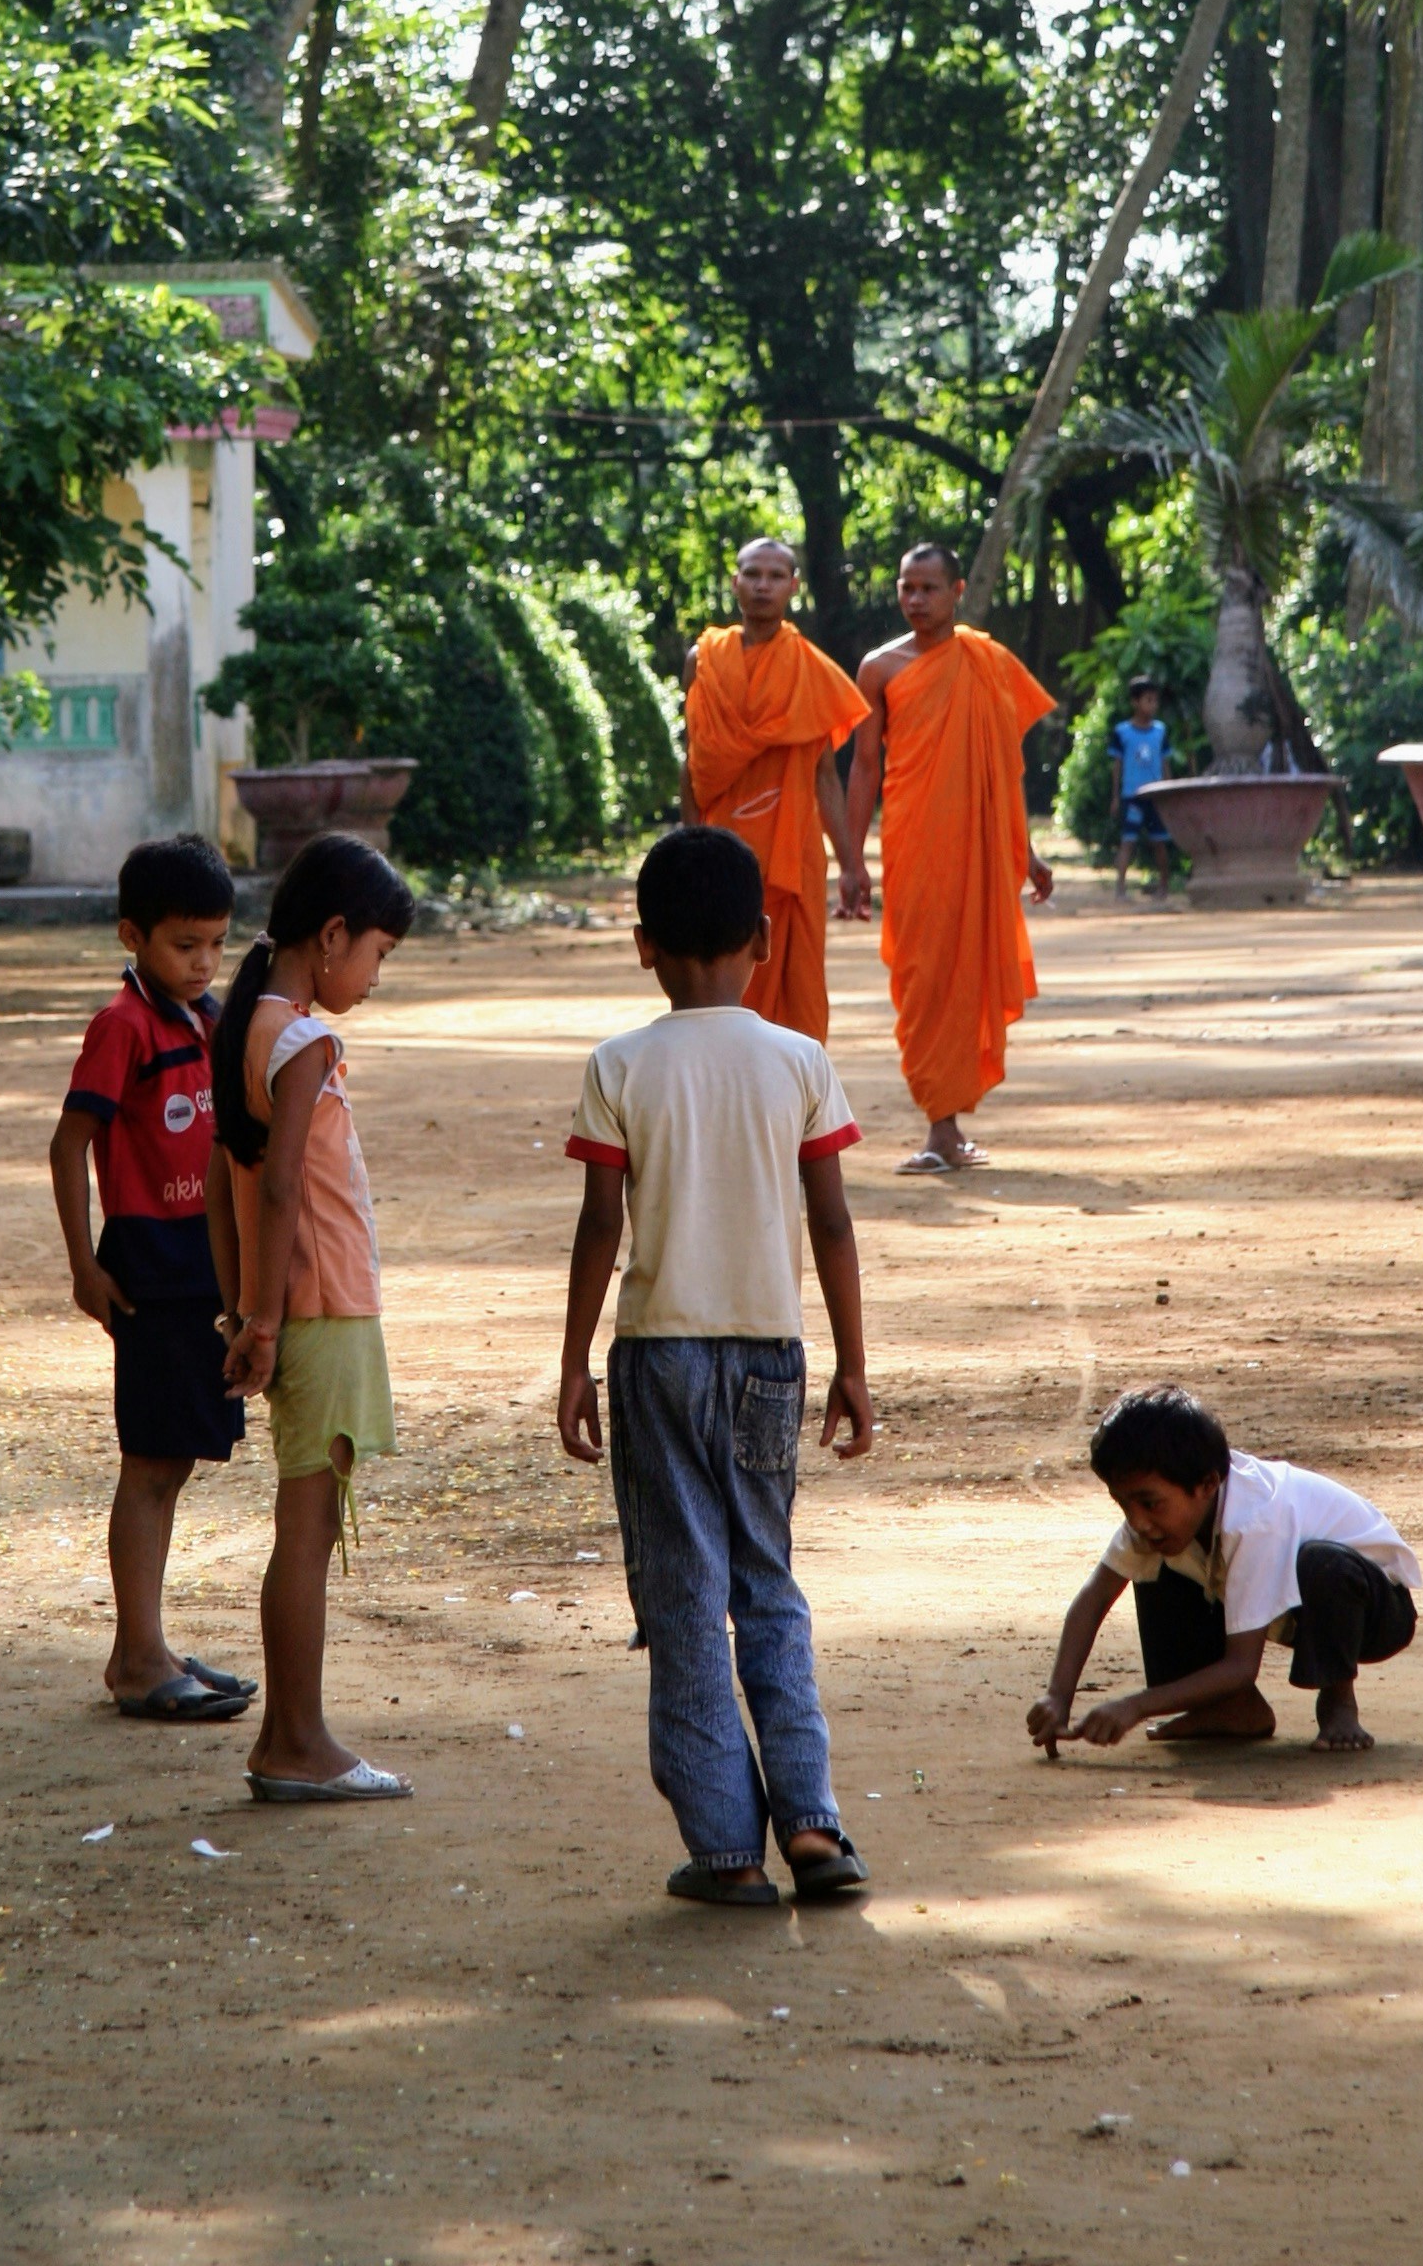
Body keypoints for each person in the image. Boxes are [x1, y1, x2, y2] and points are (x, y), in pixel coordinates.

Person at [557, 823, 873, 1909]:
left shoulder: (619, 1066)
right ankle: (815, 1827)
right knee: (766, 1583)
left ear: (642, 947)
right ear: (763, 938)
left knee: (683, 1598)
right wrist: (852, 1365)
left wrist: (570, 1367)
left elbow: (601, 1226)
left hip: (656, 1358)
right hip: (770, 1356)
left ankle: (727, 1849)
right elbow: (830, 1225)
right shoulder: (798, 1062)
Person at [210, 832, 415, 1805]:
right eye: (376, 953)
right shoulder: (302, 1038)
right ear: (331, 937)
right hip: (321, 1301)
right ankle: (295, 1739)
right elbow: (282, 1184)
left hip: (289, 1307)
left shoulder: (247, 1023)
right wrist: (266, 1317)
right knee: (307, 1524)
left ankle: (292, 1733)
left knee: (305, 1519)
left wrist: (244, 1310)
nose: (374, 976)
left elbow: (225, 1187)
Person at [50, 832, 258, 1726]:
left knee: (172, 1462)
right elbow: (68, 1145)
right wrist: (83, 1264)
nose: (204, 962)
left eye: (217, 943)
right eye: (184, 945)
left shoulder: (210, 1019)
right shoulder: (122, 1025)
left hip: (206, 1272)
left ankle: (151, 1644)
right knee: (150, 1465)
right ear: (131, 936)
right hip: (151, 1270)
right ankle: (136, 1658)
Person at [1027, 1384, 1421, 1759]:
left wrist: (1135, 1706)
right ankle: (1233, 1710)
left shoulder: (1255, 1519)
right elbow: (1094, 1598)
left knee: (1322, 1565)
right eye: (1124, 1504)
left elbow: (1240, 1667)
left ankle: (1338, 1700)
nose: (1138, 1521)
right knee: (1158, 1556)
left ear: (1207, 1484)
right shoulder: (1162, 1520)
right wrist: (1058, 1696)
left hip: (1374, 1609)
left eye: (1149, 1503)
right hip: (1291, 1608)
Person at [843, 542, 1055, 1175]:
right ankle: (943, 1123)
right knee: (925, 975)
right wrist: (851, 861)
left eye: (929, 588)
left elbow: (1002, 769)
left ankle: (945, 1130)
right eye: (907, 588)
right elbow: (863, 768)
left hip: (979, 843)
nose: (915, 599)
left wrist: (1028, 853)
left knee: (967, 970)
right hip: (914, 841)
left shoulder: (985, 662)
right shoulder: (878, 669)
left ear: (957, 590)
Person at [678, 537, 870, 1041]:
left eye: (775, 576)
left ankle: (792, 1111)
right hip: (721, 849)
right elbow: (695, 760)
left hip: (792, 854)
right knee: (715, 987)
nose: (763, 585)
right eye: (753, 574)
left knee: (797, 989)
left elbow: (825, 777)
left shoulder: (810, 669)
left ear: (793, 586)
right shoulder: (704, 659)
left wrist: (851, 863)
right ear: (735, 581)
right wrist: (686, 845)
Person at [1109, 676, 1174, 900]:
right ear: (1135, 702)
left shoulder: (1160, 732)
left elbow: (1166, 764)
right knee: (1128, 841)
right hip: (1132, 796)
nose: (1152, 705)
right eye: (1148, 700)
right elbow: (1117, 766)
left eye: (1155, 701)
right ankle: (1120, 888)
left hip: (1156, 796)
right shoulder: (1122, 732)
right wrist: (1116, 797)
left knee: (1159, 842)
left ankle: (1164, 888)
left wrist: (1170, 791)